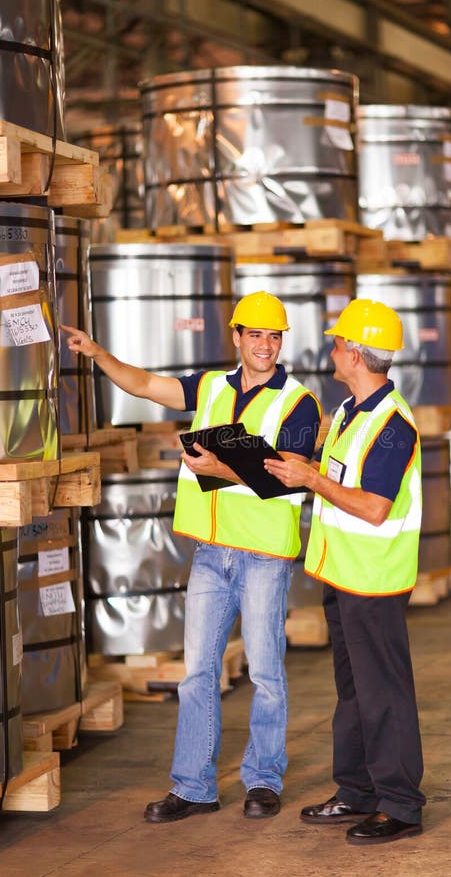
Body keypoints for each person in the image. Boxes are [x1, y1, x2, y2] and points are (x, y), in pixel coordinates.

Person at [62, 290, 321, 822]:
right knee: (197, 673)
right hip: (210, 554)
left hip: (264, 557)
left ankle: (264, 780)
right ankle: (194, 787)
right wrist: (99, 354)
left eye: (274, 337)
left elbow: (291, 480)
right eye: (256, 335)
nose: (266, 346)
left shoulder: (299, 402)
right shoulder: (209, 387)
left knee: (267, 672)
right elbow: (146, 385)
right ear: (237, 337)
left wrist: (218, 470)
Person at [264, 298, 426, 845]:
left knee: (384, 692)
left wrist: (311, 480)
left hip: (374, 580)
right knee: (353, 691)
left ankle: (400, 804)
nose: (332, 350)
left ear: (356, 354)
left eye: (337, 343)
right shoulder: (348, 412)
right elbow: (336, 480)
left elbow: (374, 506)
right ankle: (357, 791)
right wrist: (302, 470)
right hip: (342, 574)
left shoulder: (391, 424)